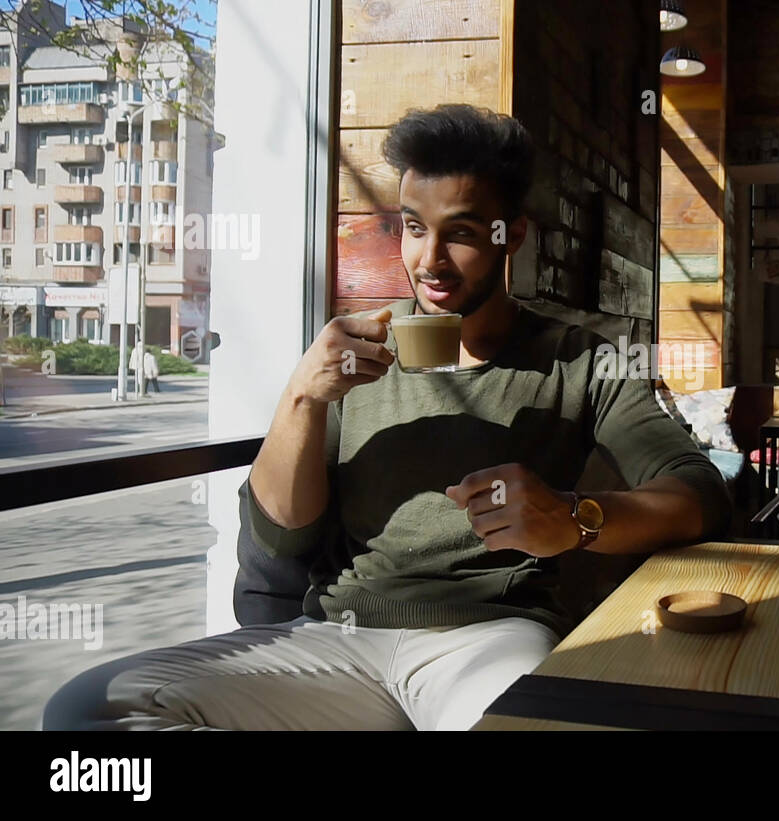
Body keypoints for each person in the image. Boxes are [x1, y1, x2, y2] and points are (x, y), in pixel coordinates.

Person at [42, 104, 730, 731]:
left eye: (459, 233)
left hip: (490, 634)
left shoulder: (578, 359)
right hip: (338, 636)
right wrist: (303, 398)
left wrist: (574, 517)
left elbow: (696, 493)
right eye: (412, 228)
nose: (428, 261)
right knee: (85, 711)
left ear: (510, 234)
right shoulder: (355, 348)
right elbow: (280, 540)